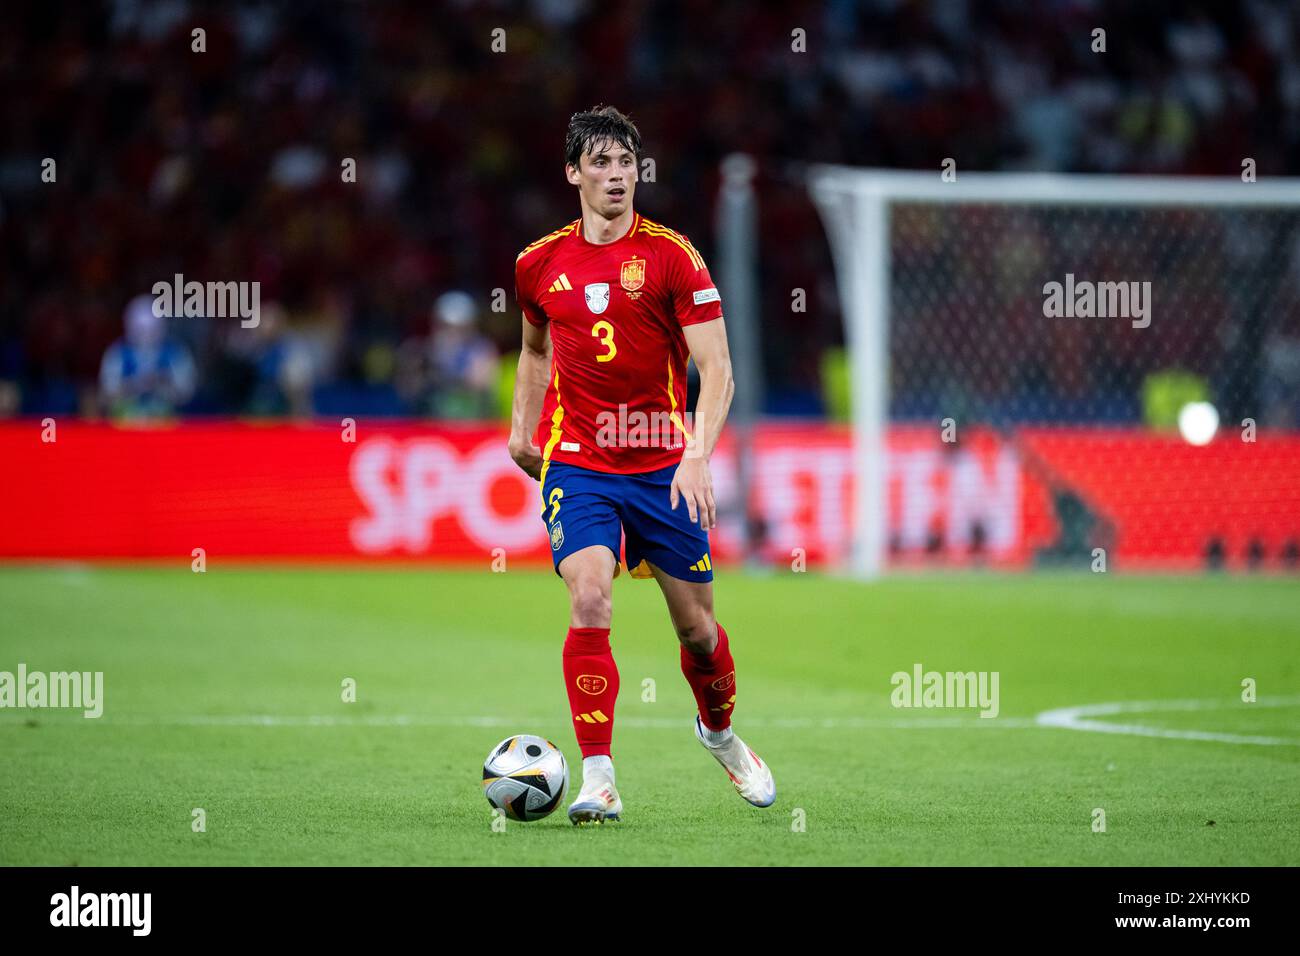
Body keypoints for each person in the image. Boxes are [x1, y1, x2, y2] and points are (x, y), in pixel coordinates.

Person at [508, 106, 775, 825]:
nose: (617, 175)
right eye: (600, 163)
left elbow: (718, 370)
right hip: (580, 464)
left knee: (698, 633)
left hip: (664, 467)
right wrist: (519, 426)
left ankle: (718, 733)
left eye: (626, 162)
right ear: (574, 173)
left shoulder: (671, 256)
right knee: (590, 595)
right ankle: (599, 777)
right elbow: (534, 351)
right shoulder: (538, 263)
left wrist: (695, 455)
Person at [99, 295, 197, 418]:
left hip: (167, 424)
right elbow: (106, 394)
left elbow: (187, 392)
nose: (146, 337)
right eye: (140, 330)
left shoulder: (176, 354)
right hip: (126, 424)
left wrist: (161, 385)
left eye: (152, 330)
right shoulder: (117, 354)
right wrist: (133, 386)